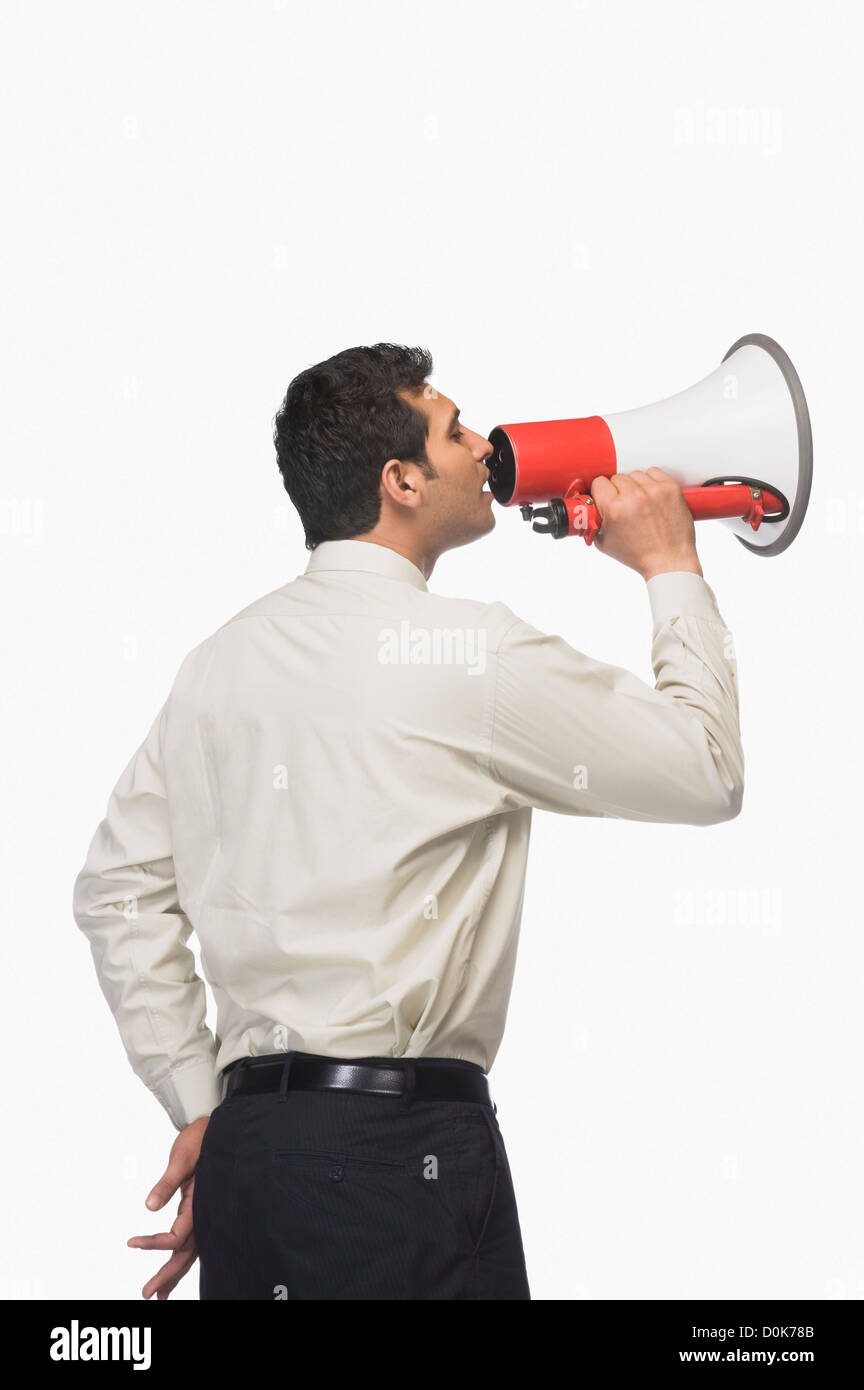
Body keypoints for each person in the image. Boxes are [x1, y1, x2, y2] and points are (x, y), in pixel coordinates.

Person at [72, 342, 743, 1301]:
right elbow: (707, 771)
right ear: (401, 481)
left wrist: (200, 1104)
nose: (484, 451)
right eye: (457, 431)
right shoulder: (470, 652)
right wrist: (672, 565)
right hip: (399, 1153)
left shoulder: (219, 661)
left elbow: (115, 891)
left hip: (251, 1155)